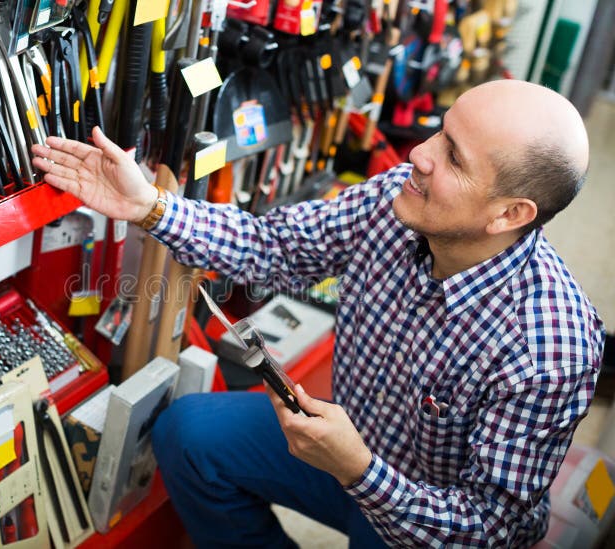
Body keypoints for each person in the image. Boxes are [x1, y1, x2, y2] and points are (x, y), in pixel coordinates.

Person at [31, 79, 605, 547]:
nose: (418, 154)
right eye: (441, 130)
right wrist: (150, 206)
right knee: (189, 434)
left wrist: (361, 471)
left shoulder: (550, 348)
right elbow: (274, 247)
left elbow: (489, 528)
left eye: (453, 157)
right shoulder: (395, 201)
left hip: (424, 522)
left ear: (510, 214)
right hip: (347, 447)